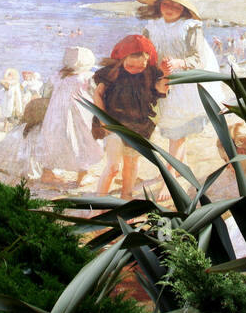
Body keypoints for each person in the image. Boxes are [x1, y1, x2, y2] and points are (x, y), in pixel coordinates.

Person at [136, 0, 224, 181]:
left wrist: (178, 63)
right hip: (162, 81)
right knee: (174, 129)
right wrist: (156, 68)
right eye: (166, 3)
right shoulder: (151, 26)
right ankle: (178, 167)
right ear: (159, 4)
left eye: (176, 6)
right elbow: (147, 54)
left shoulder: (189, 27)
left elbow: (197, 58)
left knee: (177, 130)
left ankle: (170, 176)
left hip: (185, 82)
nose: (170, 9)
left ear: (184, 9)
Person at [93, 34, 168, 200]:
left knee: (132, 162)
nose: (134, 70)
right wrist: (103, 119)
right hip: (114, 123)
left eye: (139, 67)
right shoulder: (112, 72)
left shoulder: (150, 73)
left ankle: (125, 199)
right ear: (122, 58)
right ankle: (98, 203)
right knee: (113, 166)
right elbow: (97, 94)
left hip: (139, 125)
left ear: (147, 62)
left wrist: (166, 74)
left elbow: (162, 91)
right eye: (130, 65)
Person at [35, 46, 101, 185]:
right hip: (80, 112)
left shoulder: (57, 75)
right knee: (81, 139)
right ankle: (82, 175)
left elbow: (45, 92)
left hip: (56, 113)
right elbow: (96, 93)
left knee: (54, 139)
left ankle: (47, 173)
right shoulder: (86, 76)